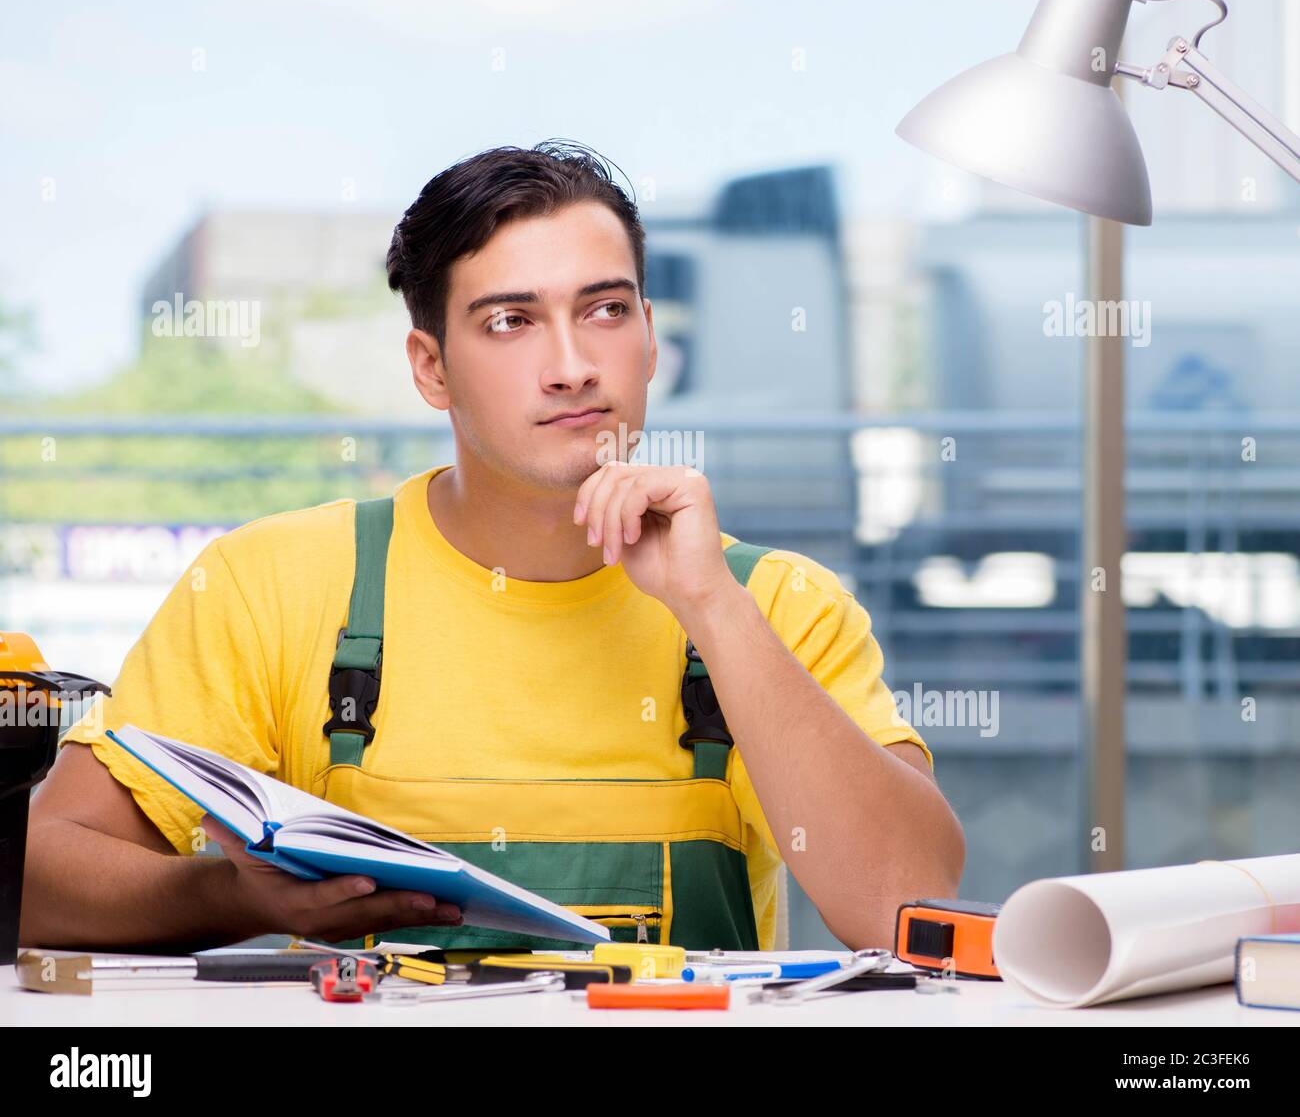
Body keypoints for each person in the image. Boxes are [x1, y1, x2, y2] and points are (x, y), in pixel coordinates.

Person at [23, 140, 963, 953]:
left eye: (606, 309)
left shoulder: (775, 601)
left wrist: (714, 609)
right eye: (511, 321)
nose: (572, 365)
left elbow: (906, 907)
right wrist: (231, 895)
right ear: (431, 367)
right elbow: (38, 876)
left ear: (649, 339)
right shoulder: (274, 585)